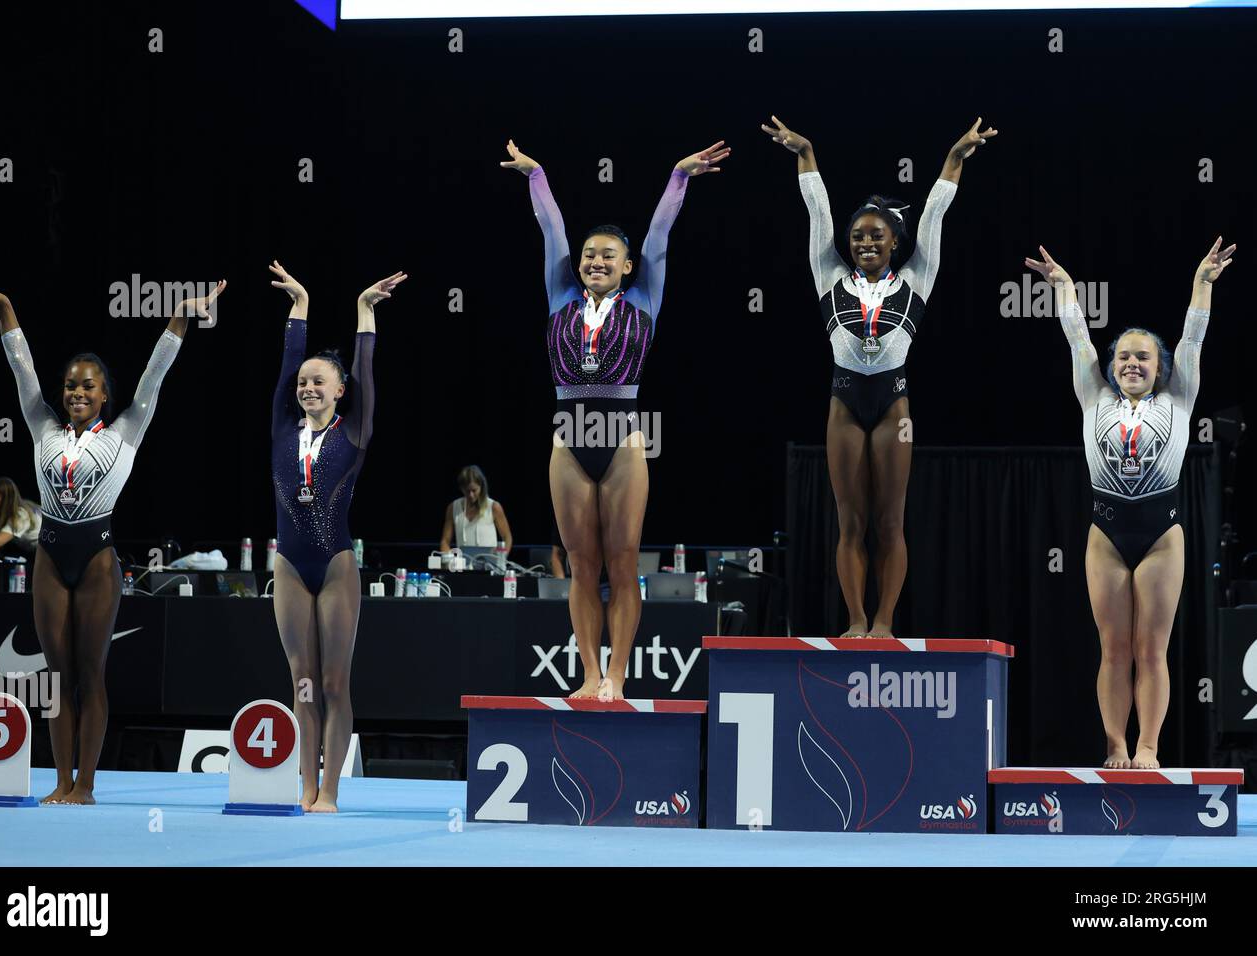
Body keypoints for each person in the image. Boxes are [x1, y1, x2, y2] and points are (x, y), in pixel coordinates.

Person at [0, 267, 221, 804]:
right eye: (70, 385)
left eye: (88, 385)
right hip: (51, 556)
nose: (76, 392)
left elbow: (155, 375)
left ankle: (86, 784)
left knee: (91, 672)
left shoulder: (128, 429)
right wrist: (5, 304)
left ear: (105, 394)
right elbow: (22, 370)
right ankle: (60, 782)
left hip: (99, 557)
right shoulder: (42, 426)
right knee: (58, 678)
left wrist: (181, 317)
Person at [501, 137, 729, 700]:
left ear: (628, 268)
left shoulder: (644, 299)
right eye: (588, 255)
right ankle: (587, 673)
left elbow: (659, 238)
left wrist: (678, 177)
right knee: (582, 565)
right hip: (569, 436)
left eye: (608, 256)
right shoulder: (560, 298)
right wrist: (538, 177)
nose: (595, 261)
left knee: (622, 563)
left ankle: (618, 675)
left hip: (624, 433)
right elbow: (551, 230)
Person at [762, 115, 996, 639]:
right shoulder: (828, 275)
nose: (865, 242)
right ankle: (856, 620)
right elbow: (816, 212)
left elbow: (935, 214)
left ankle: (885, 622)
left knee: (890, 521)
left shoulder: (917, 278)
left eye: (877, 236)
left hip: (894, 407)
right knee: (851, 523)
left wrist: (954, 159)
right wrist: (807, 153)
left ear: (895, 242)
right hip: (844, 404)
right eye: (858, 236)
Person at [1026, 239, 1233, 770]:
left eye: (1143, 357)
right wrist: (1067, 291)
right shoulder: (1093, 396)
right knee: (1114, 650)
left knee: (1150, 651)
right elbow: (1078, 341)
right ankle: (1116, 744)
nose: (1132, 363)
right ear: (1112, 365)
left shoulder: (1178, 397)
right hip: (1107, 534)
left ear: (1160, 366)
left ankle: (1149, 746)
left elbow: (1194, 338)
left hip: (1162, 535)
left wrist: (1201, 284)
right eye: (1123, 356)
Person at [268, 260, 406, 812]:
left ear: (339, 391)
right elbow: (284, 368)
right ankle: (304, 786)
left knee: (332, 683)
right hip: (289, 566)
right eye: (302, 381)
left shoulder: (355, 431)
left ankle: (331, 789)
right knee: (300, 683)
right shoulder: (281, 427)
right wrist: (297, 307)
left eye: (317, 380)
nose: (305, 387)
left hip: (336, 564)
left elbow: (368, 375)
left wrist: (364, 311)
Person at [438, 465, 513, 553]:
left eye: (474, 490)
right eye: (467, 491)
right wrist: (448, 558)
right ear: (461, 488)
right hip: (463, 565)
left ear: (481, 487)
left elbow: (507, 537)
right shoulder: (453, 508)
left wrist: (501, 558)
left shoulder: (494, 507)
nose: (471, 495)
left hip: (489, 565)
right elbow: (445, 541)